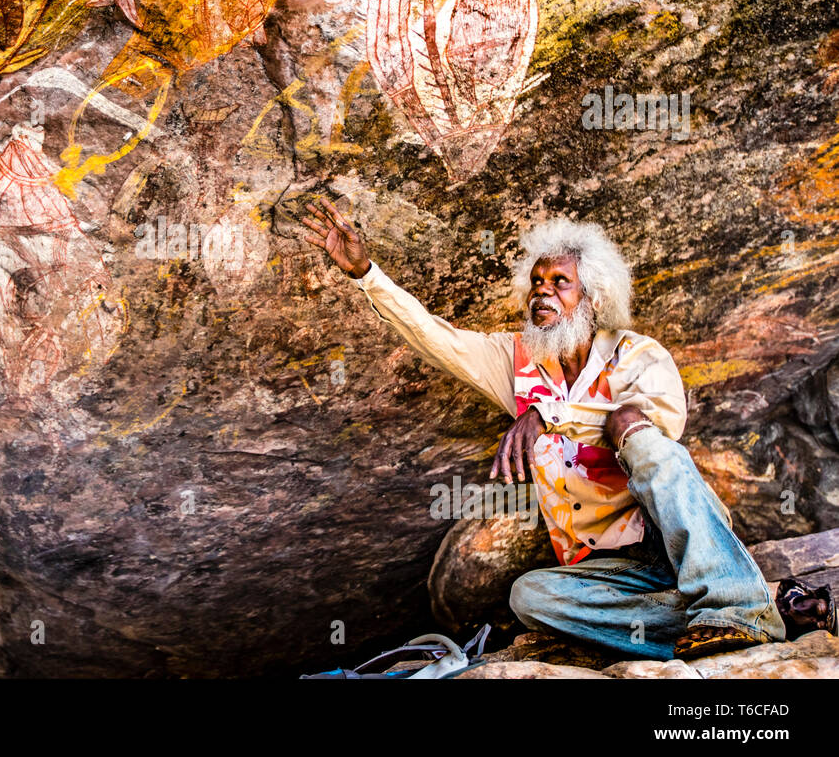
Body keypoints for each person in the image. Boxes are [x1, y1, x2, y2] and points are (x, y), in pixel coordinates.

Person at [300, 196, 787, 661]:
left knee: (636, 433)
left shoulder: (637, 354)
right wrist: (367, 275)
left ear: (592, 298)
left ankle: (733, 603)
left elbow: (661, 425)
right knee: (530, 596)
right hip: (609, 570)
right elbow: (435, 338)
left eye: (560, 282)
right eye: (536, 282)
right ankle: (744, 615)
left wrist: (548, 414)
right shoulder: (515, 362)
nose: (542, 292)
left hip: (674, 541)